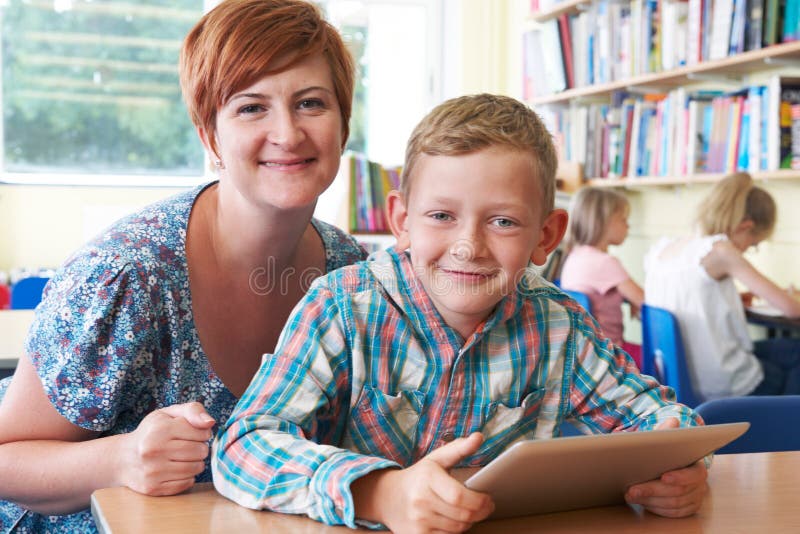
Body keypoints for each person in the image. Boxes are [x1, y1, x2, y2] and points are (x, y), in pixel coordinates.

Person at [212, 94, 708, 533]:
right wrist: (379, 493)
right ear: (403, 221)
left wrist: (678, 465)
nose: (468, 248)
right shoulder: (343, 308)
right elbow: (242, 446)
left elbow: (662, 419)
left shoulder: (559, 326)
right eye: (442, 216)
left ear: (546, 237)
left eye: (503, 221)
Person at [0, 1, 366, 531]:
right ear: (209, 135)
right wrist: (120, 459)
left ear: (343, 124)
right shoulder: (126, 273)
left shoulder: (349, 272)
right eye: (251, 108)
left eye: (311, 103)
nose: (287, 133)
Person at [644, 172, 800, 401]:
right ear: (745, 226)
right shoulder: (720, 250)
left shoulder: (663, 249)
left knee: (787, 349)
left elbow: (691, 300)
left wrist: (735, 298)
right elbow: (792, 310)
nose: (748, 250)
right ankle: (783, 429)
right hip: (722, 384)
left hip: (676, 378)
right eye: (753, 244)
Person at [559, 186, 645, 368]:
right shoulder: (605, 262)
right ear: (603, 223)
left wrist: (629, 301)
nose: (628, 225)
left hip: (582, 356)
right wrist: (635, 302)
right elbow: (645, 300)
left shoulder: (574, 256)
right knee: (661, 360)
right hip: (612, 355)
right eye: (623, 219)